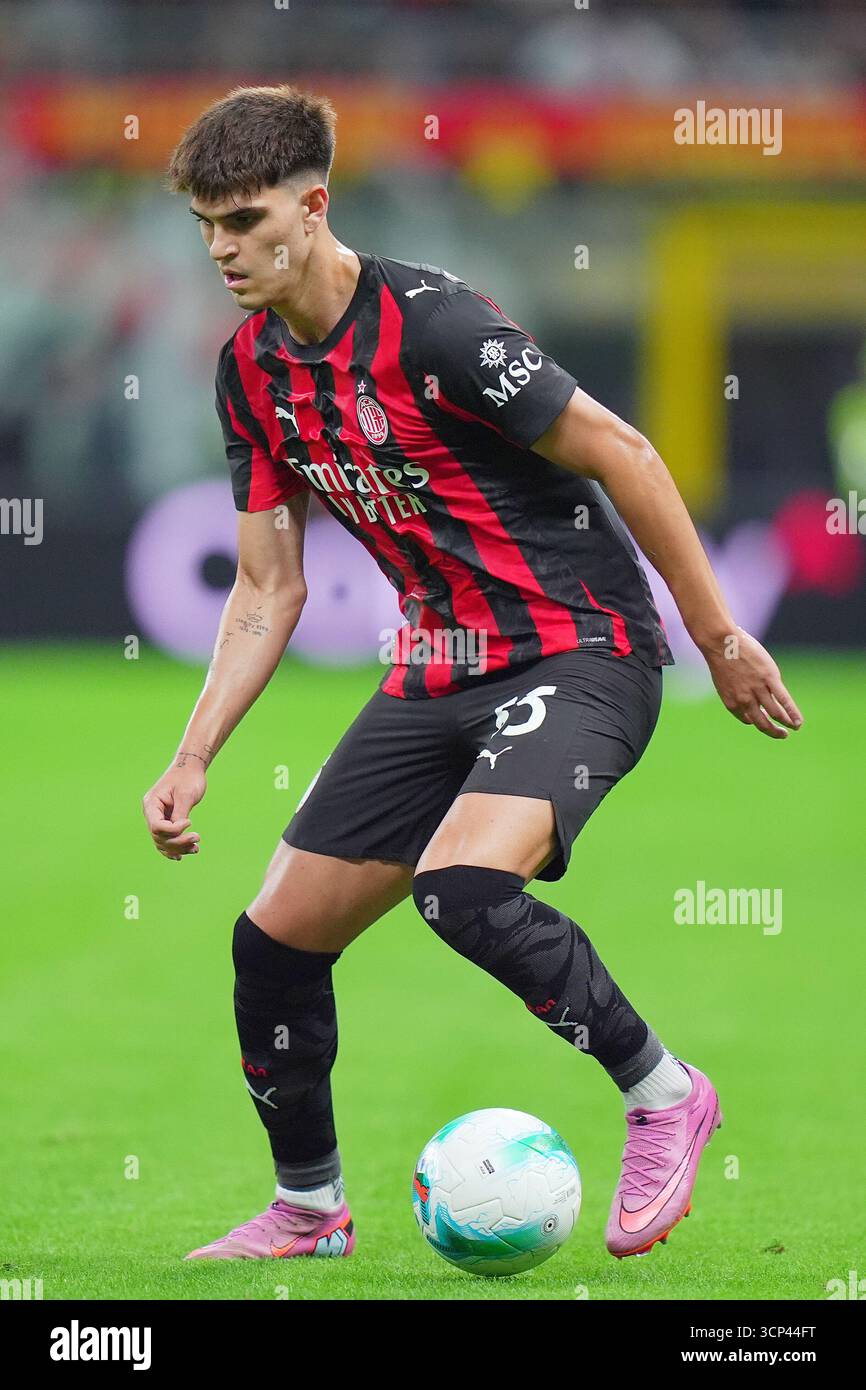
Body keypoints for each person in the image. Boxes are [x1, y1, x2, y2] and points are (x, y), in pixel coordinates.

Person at [142, 85, 802, 1262]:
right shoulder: (249, 373)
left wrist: (714, 636)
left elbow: (625, 452)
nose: (220, 249)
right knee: (274, 945)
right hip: (436, 670)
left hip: (579, 644)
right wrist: (193, 754)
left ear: (313, 204)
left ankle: (662, 1094)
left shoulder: (439, 329)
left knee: (462, 889)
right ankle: (309, 1210)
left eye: (241, 222)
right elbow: (266, 587)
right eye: (204, 225)